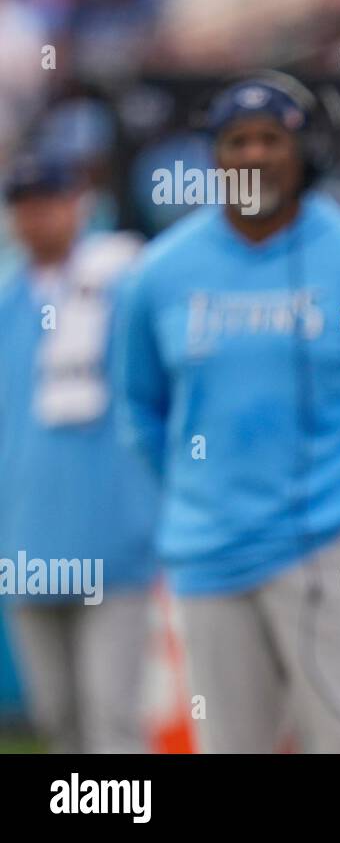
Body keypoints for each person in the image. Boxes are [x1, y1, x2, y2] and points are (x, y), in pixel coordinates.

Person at [114, 73, 340, 753]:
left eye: (271, 139)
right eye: (236, 141)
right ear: (213, 155)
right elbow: (139, 409)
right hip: (208, 556)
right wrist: (191, 493)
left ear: (309, 151)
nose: (253, 155)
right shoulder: (159, 272)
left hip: (331, 543)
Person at [0, 155, 158, 752]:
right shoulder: (11, 303)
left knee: (112, 720)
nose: (36, 219)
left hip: (112, 543)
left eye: (48, 202)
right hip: (26, 544)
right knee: (55, 718)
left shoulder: (120, 288)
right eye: (25, 206)